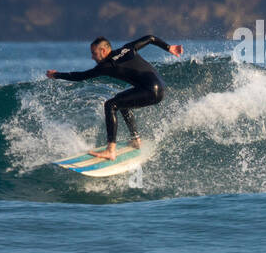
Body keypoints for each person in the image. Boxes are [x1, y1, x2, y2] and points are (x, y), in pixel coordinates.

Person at [46, 34, 183, 160]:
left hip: (149, 90)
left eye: (94, 53)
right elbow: (150, 38)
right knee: (122, 101)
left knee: (110, 105)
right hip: (159, 89)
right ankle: (135, 139)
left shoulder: (106, 65)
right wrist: (169, 47)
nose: (92, 57)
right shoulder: (127, 49)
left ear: (103, 51)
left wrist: (57, 74)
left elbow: (81, 76)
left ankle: (111, 149)